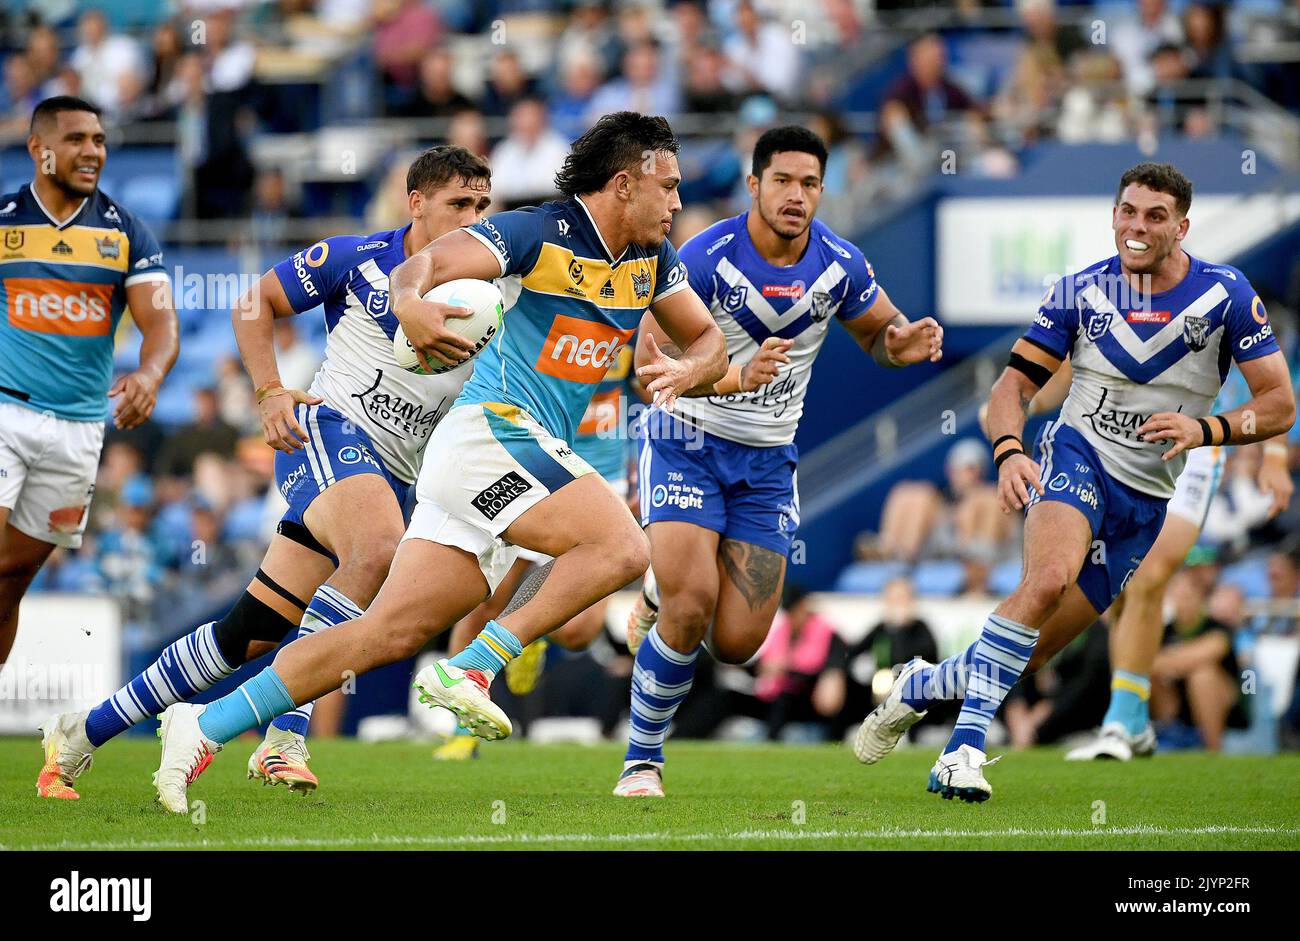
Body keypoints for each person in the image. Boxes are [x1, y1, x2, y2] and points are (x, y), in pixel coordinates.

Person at [150, 112, 729, 814]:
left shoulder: (653, 261)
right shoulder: (535, 232)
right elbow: (426, 263)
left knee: (382, 633)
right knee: (622, 546)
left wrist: (688, 372)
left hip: (496, 458)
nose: (676, 203)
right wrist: (409, 305)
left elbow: (708, 340)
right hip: (491, 432)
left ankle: (203, 725)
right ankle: (476, 666)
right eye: (666, 188)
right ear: (624, 183)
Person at [36, 145, 492, 799]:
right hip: (327, 435)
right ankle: (283, 739)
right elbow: (255, 304)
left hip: (394, 474)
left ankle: (79, 731)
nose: (474, 218)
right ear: (416, 204)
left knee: (245, 634)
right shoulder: (357, 257)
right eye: (459, 204)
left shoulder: (488, 288)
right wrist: (271, 390)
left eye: (482, 204)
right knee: (377, 550)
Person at [854, 162, 1295, 802]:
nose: (1137, 227)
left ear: (1183, 226)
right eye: (1127, 212)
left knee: (1029, 655)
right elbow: (1013, 387)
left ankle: (920, 686)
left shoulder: (1225, 294)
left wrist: (1207, 431)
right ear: (1114, 214)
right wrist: (1008, 452)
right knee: (1046, 580)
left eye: (1155, 216)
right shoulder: (1076, 292)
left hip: (1146, 501)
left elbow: (1278, 402)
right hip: (1078, 456)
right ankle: (962, 753)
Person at [614, 125, 944, 798]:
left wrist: (901, 344)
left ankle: (661, 591)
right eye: (785, 181)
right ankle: (642, 759)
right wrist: (734, 374)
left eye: (812, 184)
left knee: (735, 644)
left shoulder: (841, 263)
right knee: (690, 604)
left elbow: (880, 335)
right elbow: (649, 372)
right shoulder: (704, 257)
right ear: (754, 184)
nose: (798, 196)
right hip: (688, 443)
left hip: (767, 464)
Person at [1, 95, 177, 801]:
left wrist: (151, 373)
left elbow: (159, 324)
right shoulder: (5, 223)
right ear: (40, 148)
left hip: (78, 430)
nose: (93, 150)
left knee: (11, 581)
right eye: (77, 138)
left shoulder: (127, 231)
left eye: (101, 139)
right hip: (5, 409)